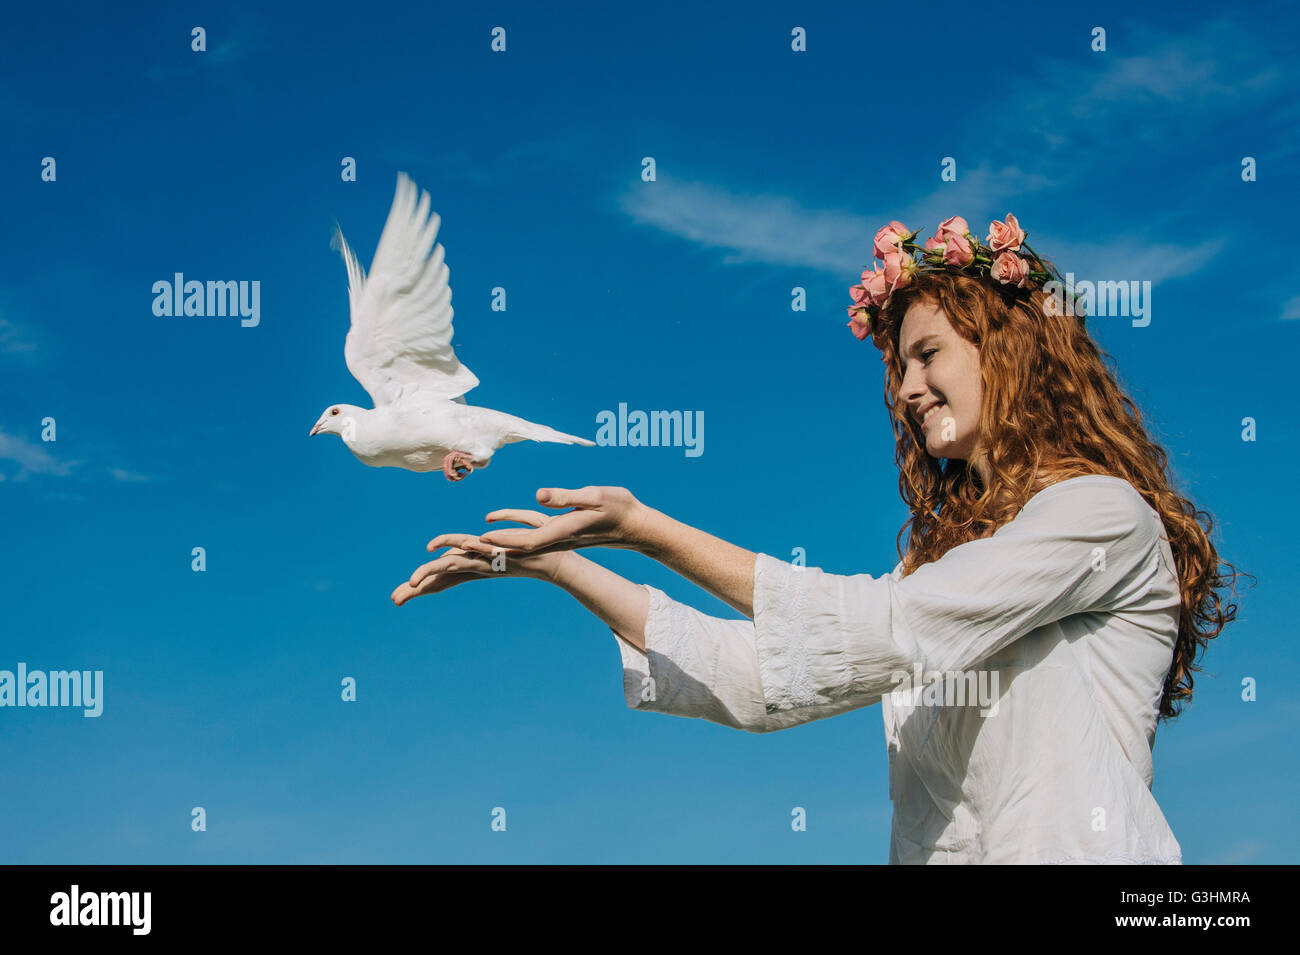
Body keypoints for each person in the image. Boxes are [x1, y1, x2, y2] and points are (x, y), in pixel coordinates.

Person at [389, 214, 1250, 864]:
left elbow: (894, 625)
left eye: (928, 354)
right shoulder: (929, 567)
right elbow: (763, 678)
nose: (909, 387)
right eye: (898, 368)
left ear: (1009, 344)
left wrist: (649, 530)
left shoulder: (1101, 516)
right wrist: (563, 564)